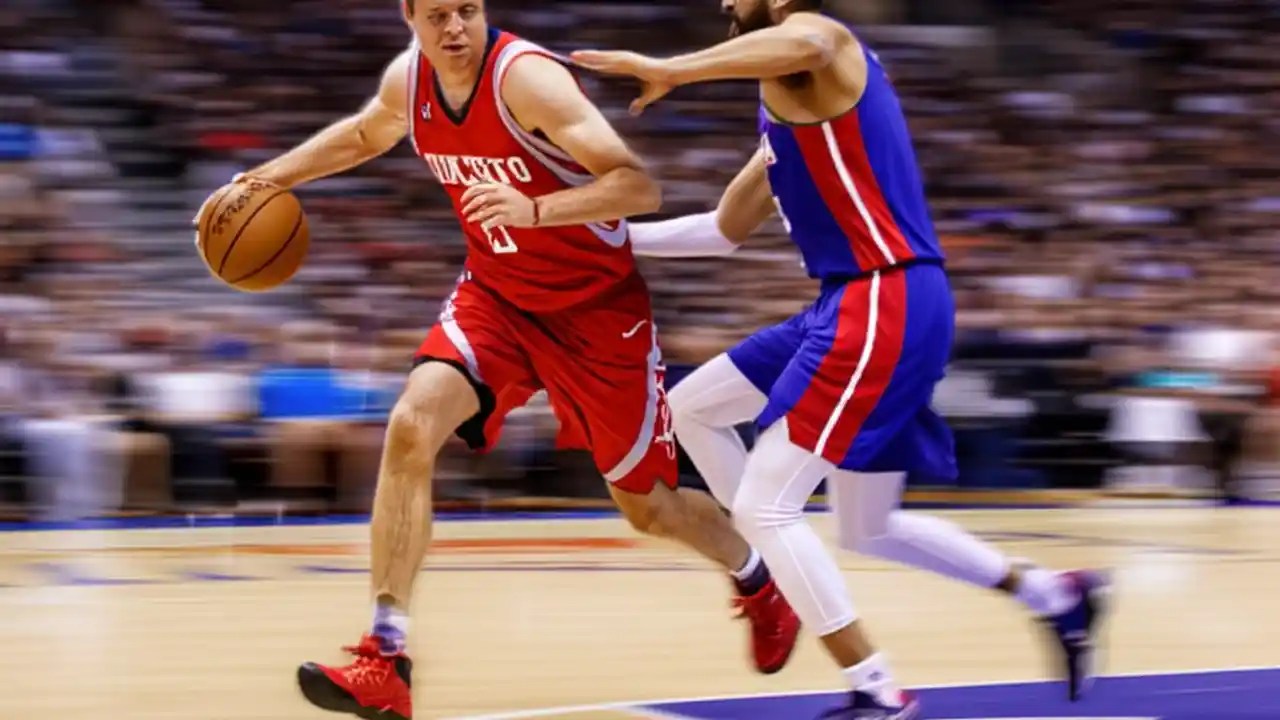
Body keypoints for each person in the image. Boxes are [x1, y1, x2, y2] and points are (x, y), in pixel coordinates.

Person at [193, 2, 800, 718]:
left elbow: (639, 185)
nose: (455, 28)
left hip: (595, 313)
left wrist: (535, 209)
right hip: (498, 298)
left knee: (650, 508)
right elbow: (362, 135)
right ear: (408, 16)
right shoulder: (409, 82)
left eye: (469, 10)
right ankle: (386, 656)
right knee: (411, 426)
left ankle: (758, 581)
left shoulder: (528, 80)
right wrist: (259, 183)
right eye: (439, 14)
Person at [573, 1, 1110, 717]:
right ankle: (1053, 594)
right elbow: (725, 230)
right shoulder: (785, 113)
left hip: (884, 300)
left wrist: (673, 68)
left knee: (767, 502)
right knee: (725, 431)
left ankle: (877, 690)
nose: (726, 3)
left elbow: (809, 41)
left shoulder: (822, 44)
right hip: (855, 303)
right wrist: (598, 241)